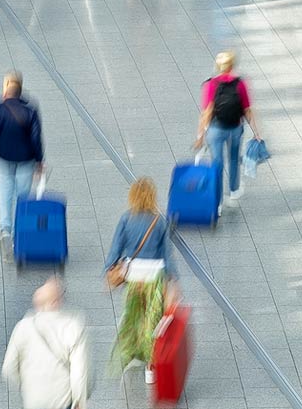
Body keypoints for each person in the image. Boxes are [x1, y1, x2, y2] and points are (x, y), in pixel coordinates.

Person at [105, 178, 178, 382]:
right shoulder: (160, 221)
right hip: (154, 277)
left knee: (132, 316)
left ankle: (128, 353)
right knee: (152, 320)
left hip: (134, 279)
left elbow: (115, 249)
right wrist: (173, 280)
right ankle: (150, 367)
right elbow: (167, 255)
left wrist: (108, 268)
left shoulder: (126, 219)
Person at [1, 277, 90, 409]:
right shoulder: (73, 326)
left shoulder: (23, 327)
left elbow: (8, 368)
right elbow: (80, 371)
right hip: (63, 399)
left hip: (36, 400)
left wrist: (25, 387)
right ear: (57, 301)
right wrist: (80, 402)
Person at [0, 73, 45, 243]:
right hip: (26, 160)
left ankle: (5, 230)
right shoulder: (31, 110)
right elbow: (36, 138)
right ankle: (19, 232)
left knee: (5, 195)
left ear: (6, 93)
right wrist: (39, 160)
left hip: (3, 159)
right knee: (22, 196)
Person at [193, 52, 258, 202]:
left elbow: (207, 112)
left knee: (217, 163)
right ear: (232, 65)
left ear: (218, 66)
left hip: (216, 128)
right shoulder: (240, 83)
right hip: (235, 128)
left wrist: (200, 136)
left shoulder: (211, 84)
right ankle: (234, 190)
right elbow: (247, 109)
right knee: (234, 159)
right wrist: (256, 132)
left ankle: (217, 200)